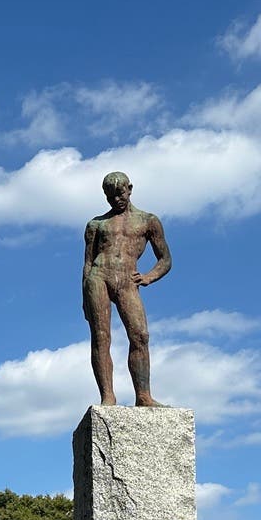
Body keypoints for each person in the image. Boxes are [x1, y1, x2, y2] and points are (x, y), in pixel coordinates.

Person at [82, 170, 171, 406]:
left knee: (140, 336)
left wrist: (149, 277)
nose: (116, 200)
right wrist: (84, 298)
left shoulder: (148, 221)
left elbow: (165, 259)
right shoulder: (95, 224)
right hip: (98, 277)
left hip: (127, 280)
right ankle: (107, 396)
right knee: (101, 338)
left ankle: (143, 395)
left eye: (119, 194)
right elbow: (88, 262)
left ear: (130, 189)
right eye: (110, 196)